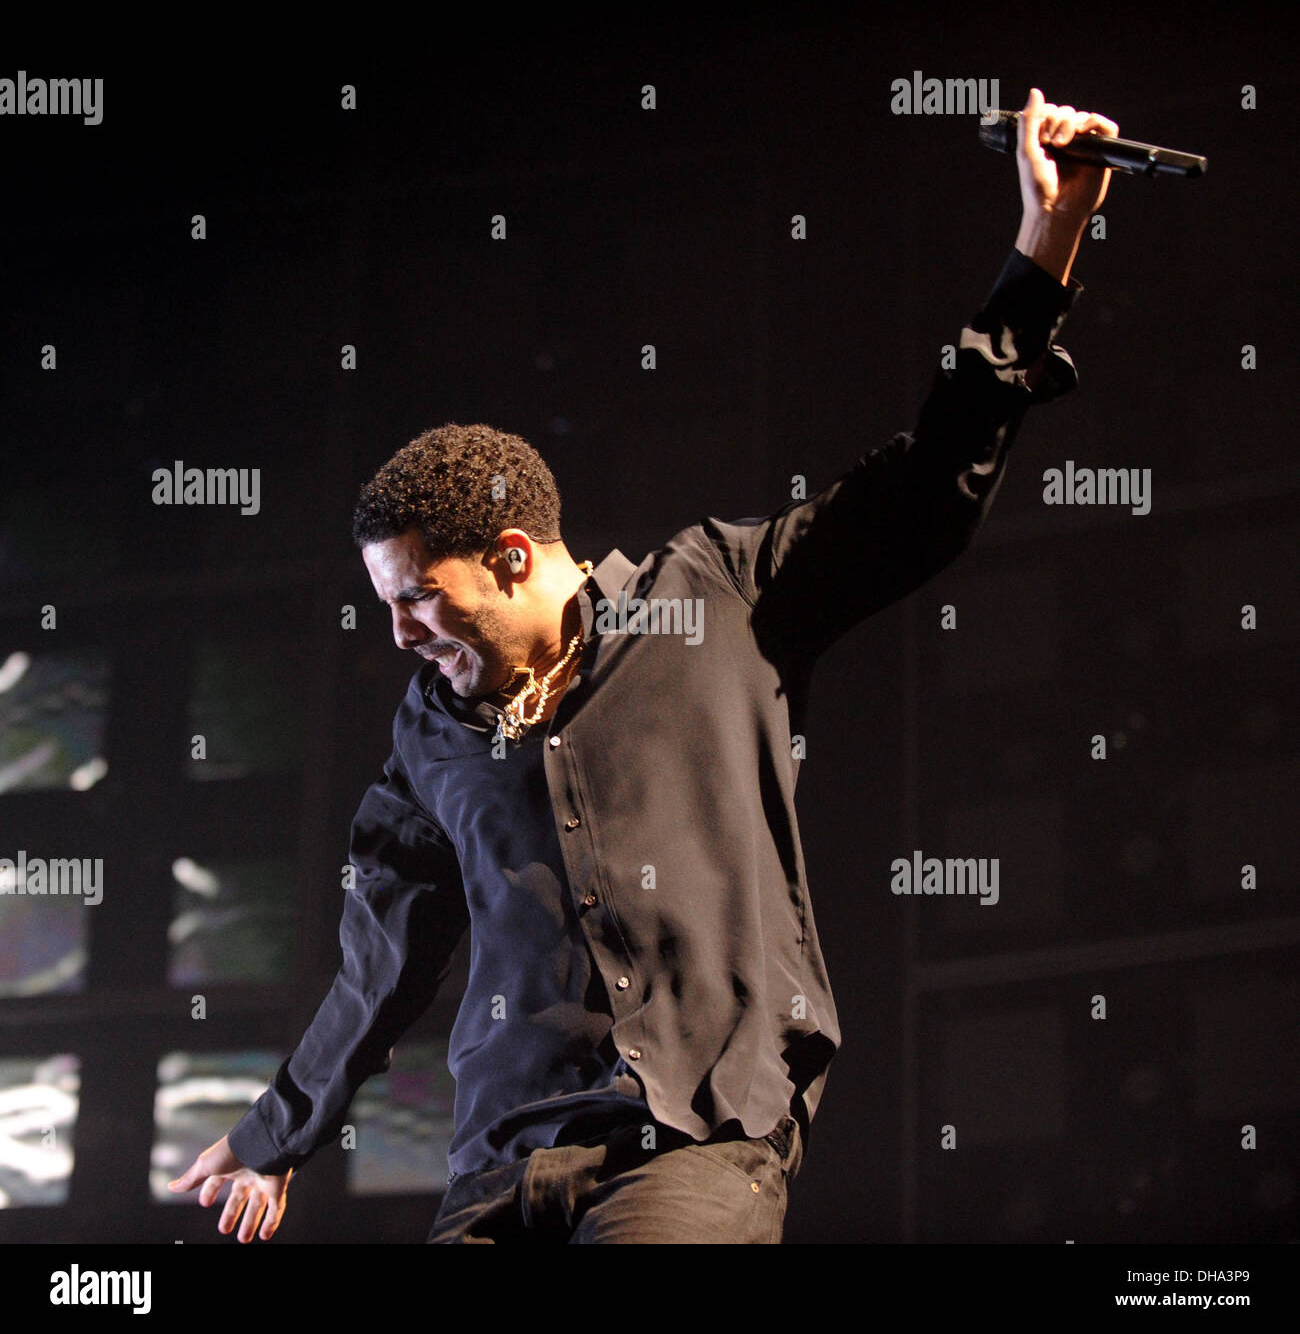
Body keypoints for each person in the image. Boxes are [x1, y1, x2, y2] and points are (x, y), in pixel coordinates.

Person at [168, 88, 1117, 1242]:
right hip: (498, 1165)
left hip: (689, 1141)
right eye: (386, 607)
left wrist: (1045, 244)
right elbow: (385, 955)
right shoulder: (430, 733)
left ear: (512, 557)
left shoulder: (717, 595)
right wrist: (280, 1131)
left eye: (421, 598)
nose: (402, 635)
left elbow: (925, 489)